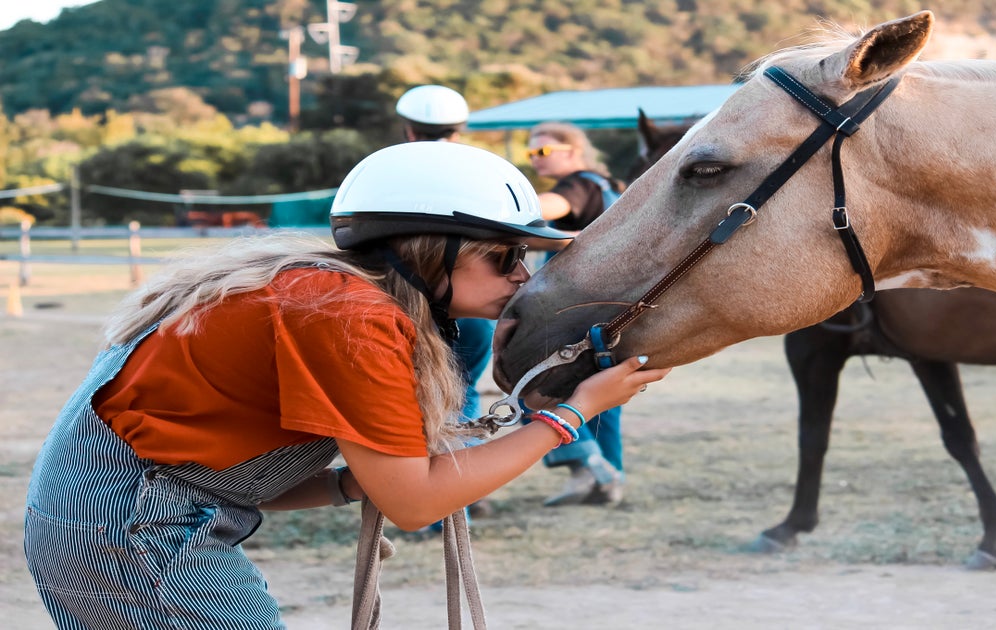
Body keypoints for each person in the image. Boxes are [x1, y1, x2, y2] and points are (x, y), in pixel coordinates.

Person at [23, 142, 669, 628]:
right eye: (504, 257)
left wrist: (342, 484)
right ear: (428, 248)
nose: (523, 277)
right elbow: (417, 506)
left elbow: (199, 462)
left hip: (114, 521)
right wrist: (574, 414)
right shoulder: (349, 318)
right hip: (136, 532)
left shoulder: (331, 295)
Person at [397, 84, 496, 521]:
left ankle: (435, 499)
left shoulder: (390, 172)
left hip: (411, 302)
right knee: (464, 393)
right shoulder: (484, 172)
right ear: (460, 129)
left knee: (416, 397)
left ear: (407, 129)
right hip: (476, 306)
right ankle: (465, 492)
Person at [525, 121, 629, 507]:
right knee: (605, 394)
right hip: (615, 303)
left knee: (532, 383)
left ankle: (586, 463)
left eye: (544, 152)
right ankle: (608, 479)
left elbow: (550, 208)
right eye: (530, 153)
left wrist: (505, 206)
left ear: (573, 150)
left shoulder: (577, 185)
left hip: (575, 304)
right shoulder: (608, 186)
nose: (535, 159)